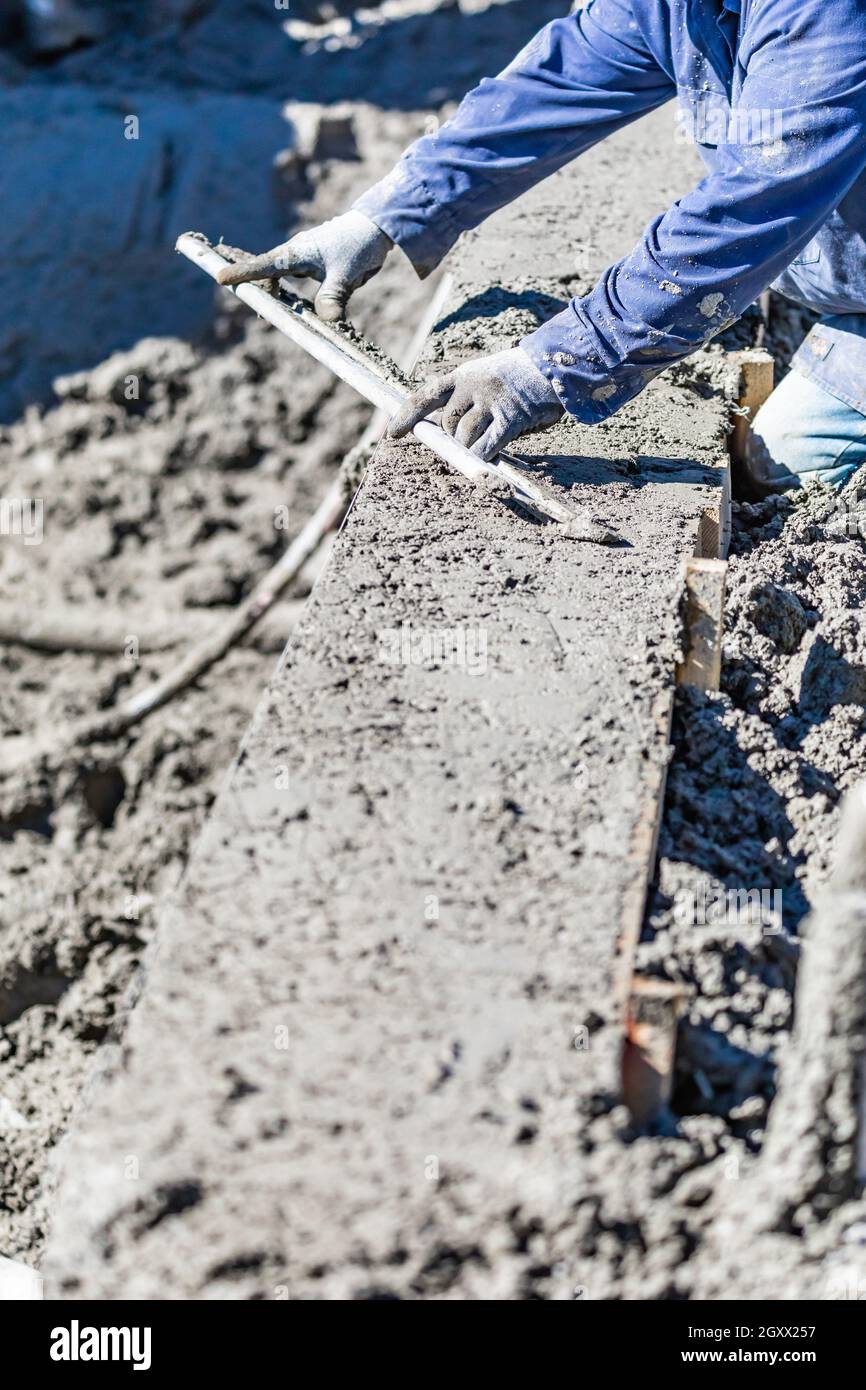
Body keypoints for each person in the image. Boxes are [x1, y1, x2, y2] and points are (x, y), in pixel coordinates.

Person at [222, 0, 866, 494]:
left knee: (784, 471)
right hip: (839, 282)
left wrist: (551, 366)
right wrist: (382, 217)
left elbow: (756, 202)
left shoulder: (829, 17)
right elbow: (556, 85)